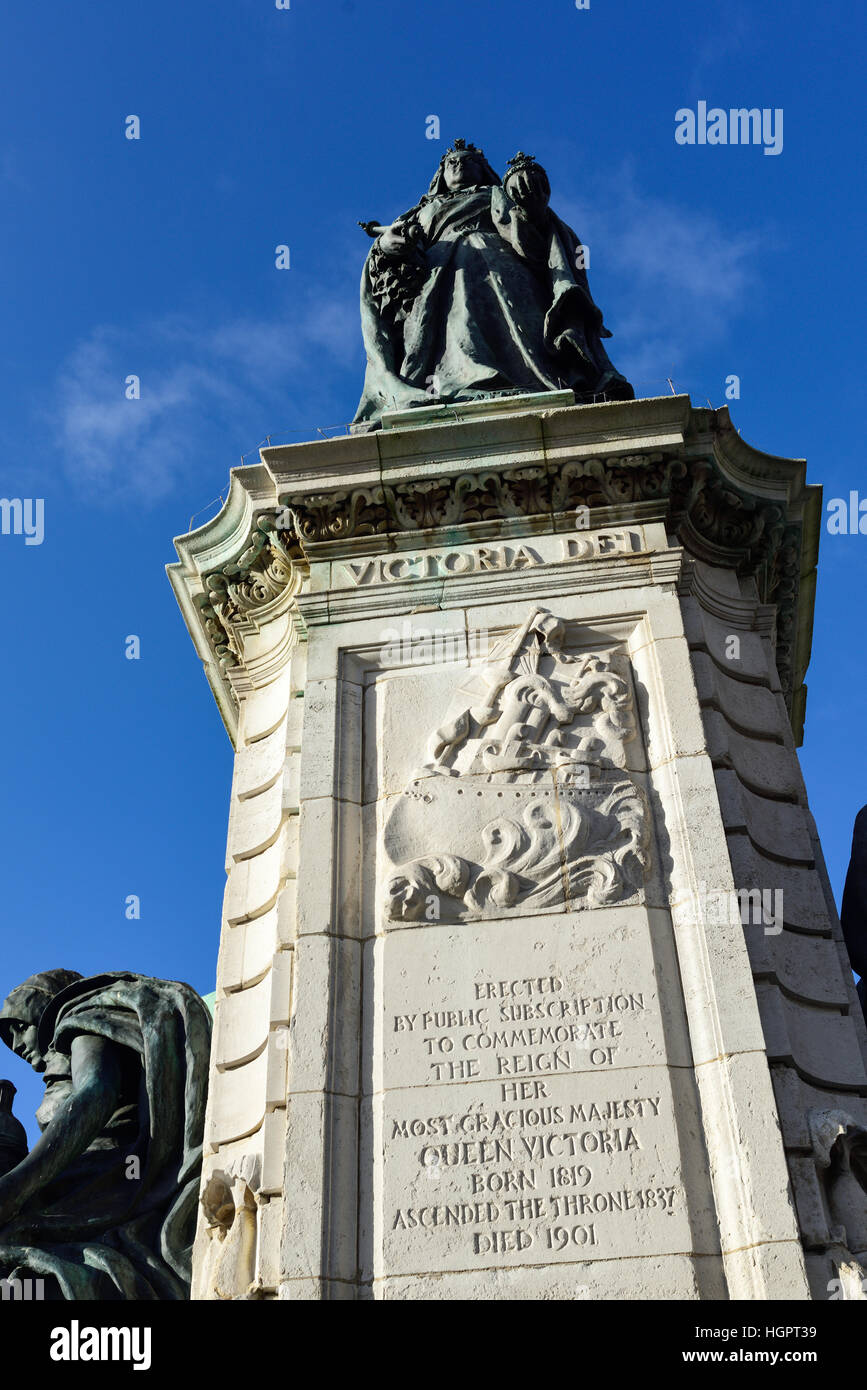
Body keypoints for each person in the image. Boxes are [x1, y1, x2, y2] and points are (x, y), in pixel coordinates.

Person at [353, 140, 633, 429]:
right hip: (435, 279)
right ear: (441, 175)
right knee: (456, 319)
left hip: (502, 268)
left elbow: (535, 240)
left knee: (508, 319)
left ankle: (521, 381)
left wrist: (533, 209)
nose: (460, 165)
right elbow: (388, 268)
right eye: (453, 163)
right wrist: (385, 245)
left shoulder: (498, 195)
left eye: (469, 161)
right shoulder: (419, 211)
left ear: (483, 170)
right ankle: (454, 386)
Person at [0, 968, 210, 1299]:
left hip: (110, 1186)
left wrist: (17, 1185)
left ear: (43, 1007)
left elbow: (96, 1092)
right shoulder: (62, 1062)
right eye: (8, 1035)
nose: (15, 1043)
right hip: (75, 1191)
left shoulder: (80, 1017)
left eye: (20, 1026)